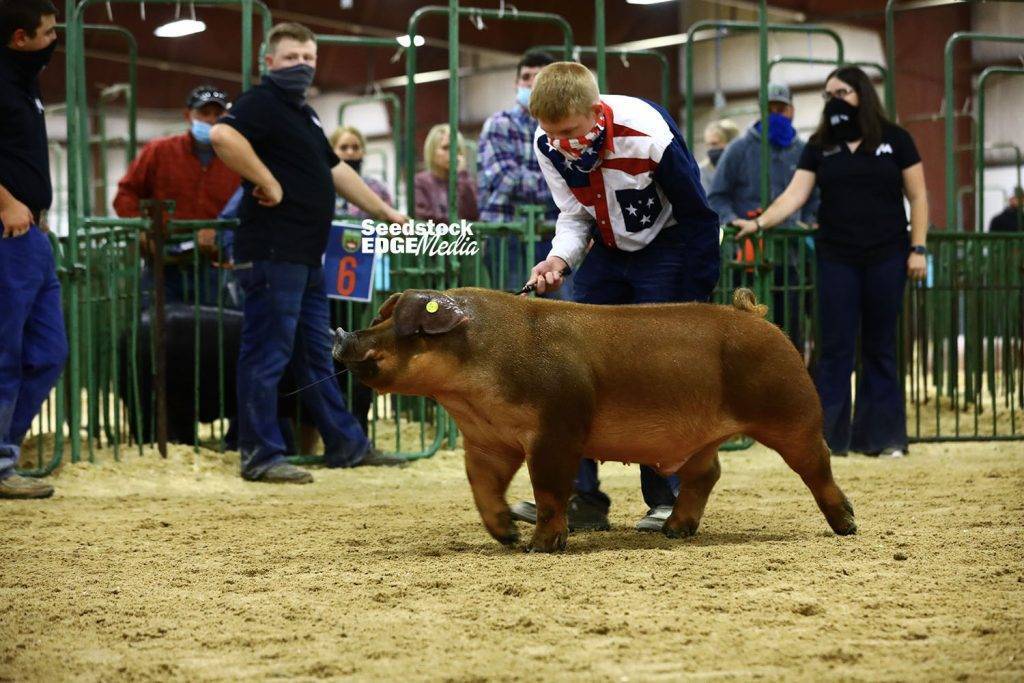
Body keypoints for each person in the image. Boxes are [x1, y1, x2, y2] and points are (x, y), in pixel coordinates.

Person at [515, 62, 721, 532]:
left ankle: (667, 498)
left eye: (569, 129)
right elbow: (573, 216)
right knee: (576, 369)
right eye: (550, 131)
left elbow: (699, 216)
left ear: (595, 110)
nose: (560, 141)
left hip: (667, 244)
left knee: (655, 371)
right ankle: (578, 497)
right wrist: (558, 261)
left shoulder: (648, 133)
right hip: (607, 247)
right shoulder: (546, 142)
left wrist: (694, 303)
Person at [209, 22, 408, 483]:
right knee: (267, 353)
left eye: (309, 57)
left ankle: (346, 445)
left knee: (318, 354)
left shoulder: (306, 114)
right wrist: (267, 179)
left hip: (305, 254)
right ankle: (259, 454)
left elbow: (334, 167)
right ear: (269, 62)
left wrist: (383, 211)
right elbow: (223, 137)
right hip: (273, 251)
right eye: (293, 57)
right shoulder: (259, 103)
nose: (302, 65)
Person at [733, 66, 929, 458]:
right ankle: (827, 440)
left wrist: (918, 248)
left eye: (842, 92)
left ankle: (884, 438)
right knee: (835, 345)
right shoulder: (820, 145)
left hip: (888, 254)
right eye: (828, 95)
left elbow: (919, 197)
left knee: (880, 345)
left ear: (862, 95)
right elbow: (795, 195)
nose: (834, 100)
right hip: (837, 255)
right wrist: (760, 223)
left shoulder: (896, 139)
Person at [0, 0, 65, 499]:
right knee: (6, 352)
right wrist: (5, 202)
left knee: (48, 353)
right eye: (46, 32)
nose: (54, 38)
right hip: (7, 232)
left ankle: (6, 449)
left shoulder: (26, 81)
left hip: (34, 237)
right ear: (19, 37)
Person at [709, 83, 819, 349]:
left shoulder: (803, 152)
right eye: (770, 110)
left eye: (782, 109)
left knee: (789, 326)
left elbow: (815, 196)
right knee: (746, 328)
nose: (776, 115)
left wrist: (809, 220)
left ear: (792, 110)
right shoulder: (738, 150)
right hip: (747, 257)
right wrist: (731, 219)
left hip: (790, 256)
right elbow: (717, 196)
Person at [113, 85, 241, 307]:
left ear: (227, 116)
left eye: (218, 114)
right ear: (188, 115)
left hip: (214, 267)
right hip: (163, 264)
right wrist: (144, 227)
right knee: (155, 330)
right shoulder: (159, 151)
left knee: (214, 333)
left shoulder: (239, 158)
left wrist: (221, 236)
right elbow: (126, 194)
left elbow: (248, 208)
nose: (211, 120)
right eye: (204, 113)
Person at [477, 49, 565, 293]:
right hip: (507, 236)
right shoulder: (498, 125)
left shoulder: (564, 125)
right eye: (526, 77)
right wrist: (557, 185)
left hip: (555, 237)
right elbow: (505, 178)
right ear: (516, 84)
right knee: (512, 312)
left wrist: (560, 183)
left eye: (540, 77)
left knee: (563, 315)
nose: (532, 83)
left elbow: (574, 177)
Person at [414, 123, 479, 225]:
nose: (453, 153)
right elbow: (425, 218)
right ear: (432, 151)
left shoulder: (465, 179)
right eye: (445, 148)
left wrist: (462, 175)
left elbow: (473, 214)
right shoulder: (420, 182)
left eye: (457, 148)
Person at [329, 125, 392, 218]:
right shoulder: (322, 187)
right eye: (343, 147)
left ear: (363, 152)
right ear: (331, 151)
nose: (350, 152)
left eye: (355, 147)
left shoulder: (378, 188)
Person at [698, 118, 739, 192]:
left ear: (731, 143)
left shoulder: (743, 168)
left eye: (714, 144)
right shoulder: (702, 171)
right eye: (708, 144)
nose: (710, 149)